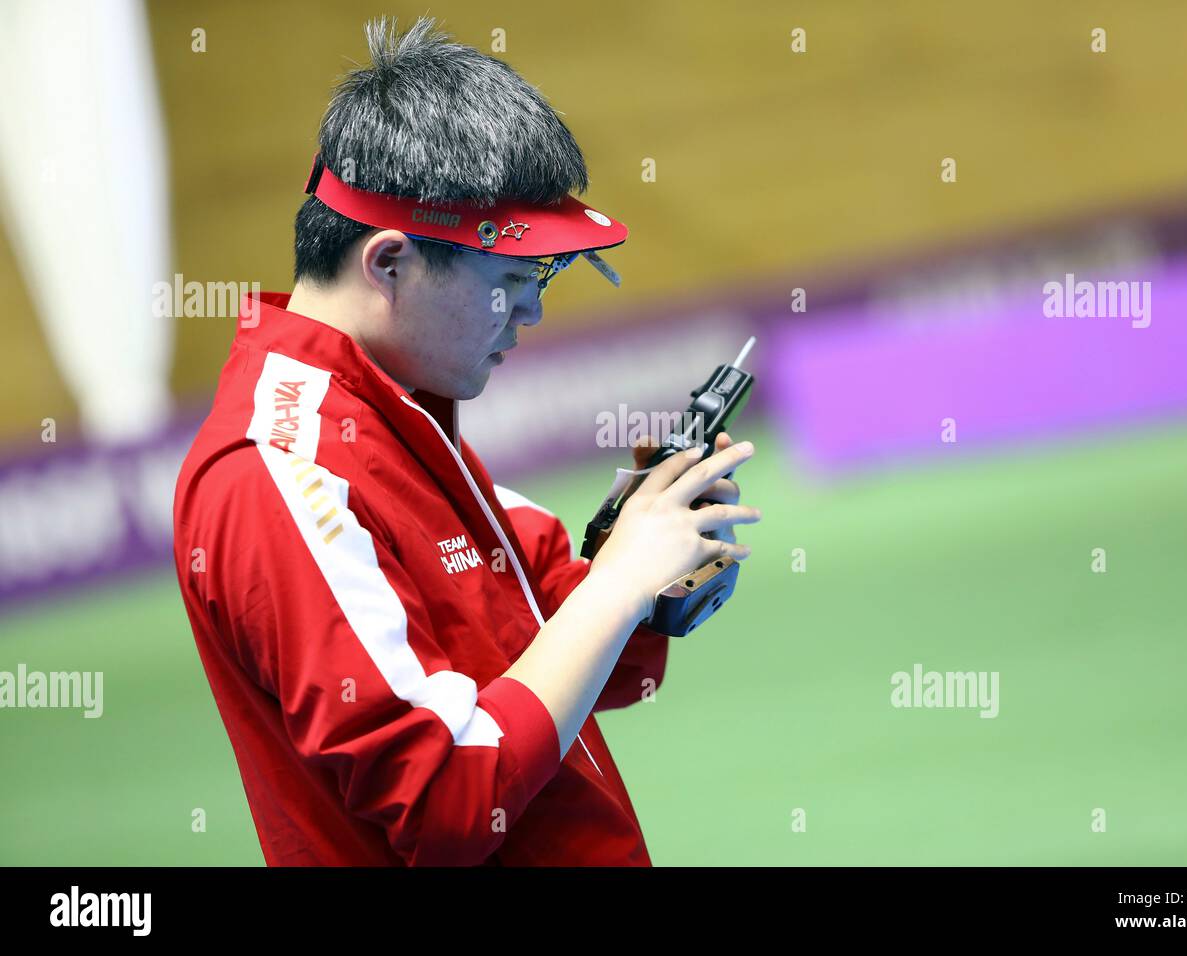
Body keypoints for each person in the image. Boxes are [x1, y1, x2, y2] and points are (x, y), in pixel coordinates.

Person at [172, 16, 760, 866]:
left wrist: (651, 566)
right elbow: (453, 797)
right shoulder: (280, 469)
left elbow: (566, 641)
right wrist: (620, 583)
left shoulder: (394, 414)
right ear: (389, 264)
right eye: (512, 281)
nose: (531, 312)